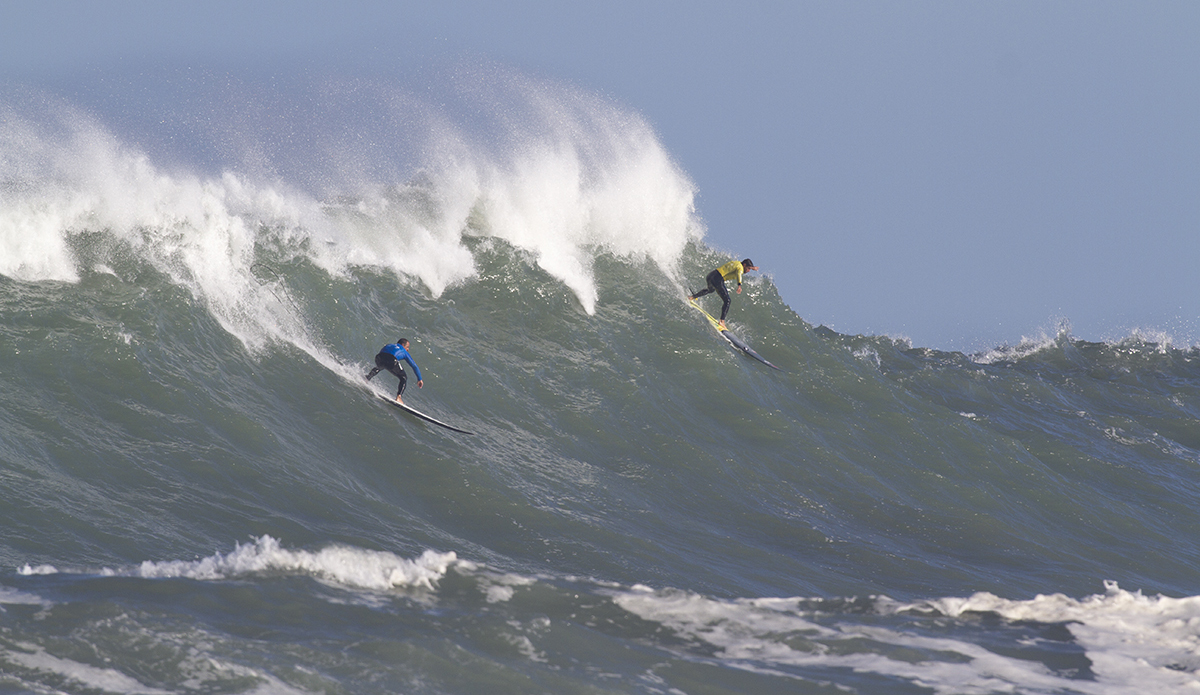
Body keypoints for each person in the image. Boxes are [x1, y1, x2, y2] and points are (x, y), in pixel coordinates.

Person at [688, 258, 758, 329]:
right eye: (748, 268)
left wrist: (752, 267)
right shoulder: (740, 268)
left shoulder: (737, 263)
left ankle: (692, 297)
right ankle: (722, 321)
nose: (748, 271)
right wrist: (739, 285)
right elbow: (739, 273)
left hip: (711, 275)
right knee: (727, 301)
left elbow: (740, 267)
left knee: (711, 289)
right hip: (717, 278)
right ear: (744, 265)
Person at [365, 338, 423, 403]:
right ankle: (399, 397)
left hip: (379, 357)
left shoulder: (389, 345)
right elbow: (414, 366)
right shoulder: (403, 350)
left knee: (380, 367)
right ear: (403, 345)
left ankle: (367, 378)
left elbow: (383, 354)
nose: (408, 349)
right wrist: (419, 379)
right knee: (403, 377)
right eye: (407, 347)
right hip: (391, 360)